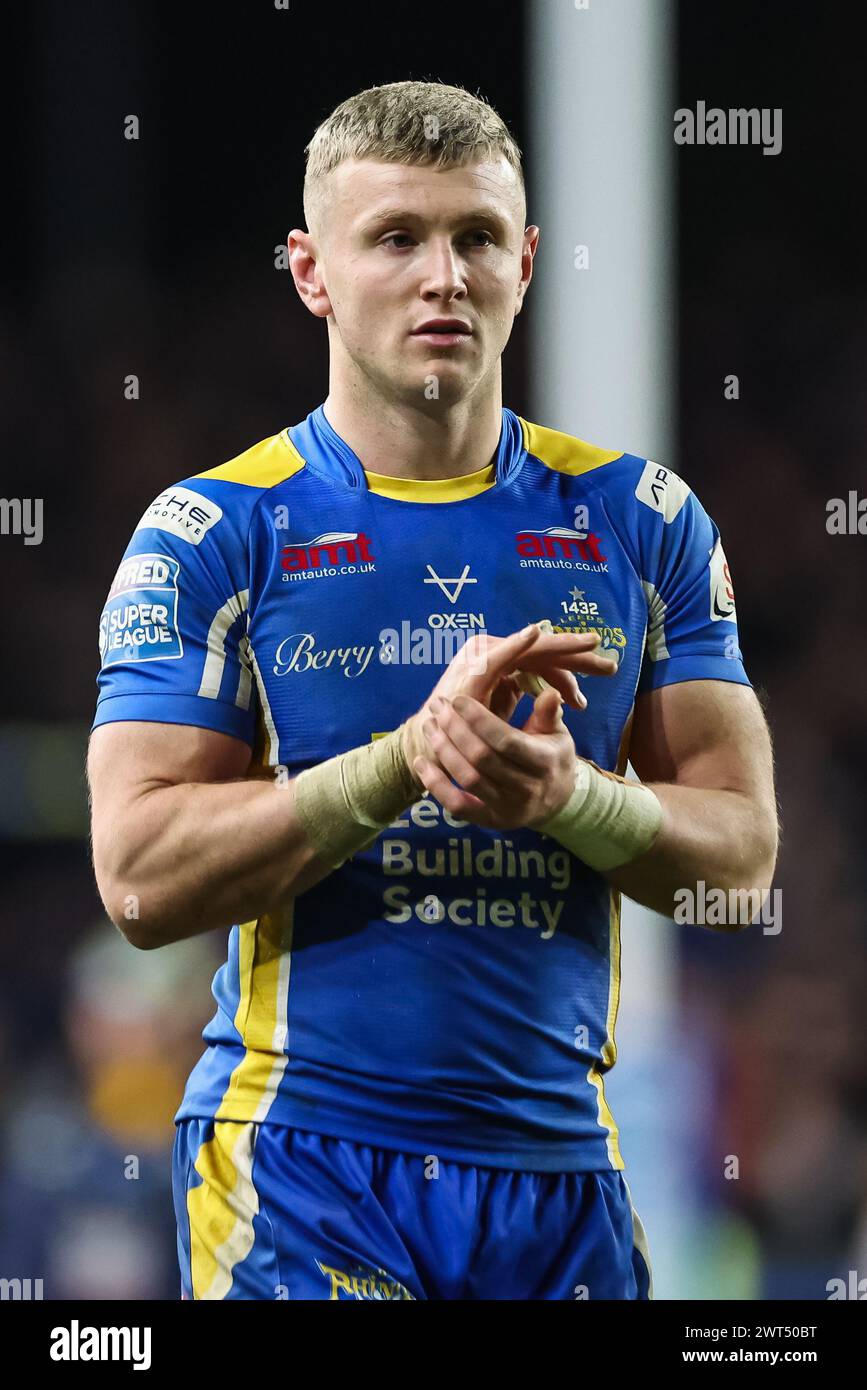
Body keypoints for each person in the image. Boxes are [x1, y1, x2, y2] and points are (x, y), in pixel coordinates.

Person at [87, 79, 778, 1300]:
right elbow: (139, 877)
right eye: (397, 238)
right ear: (311, 271)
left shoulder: (641, 521)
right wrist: (404, 760)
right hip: (305, 1168)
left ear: (526, 258)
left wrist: (573, 798)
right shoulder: (214, 531)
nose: (442, 275)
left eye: (472, 237)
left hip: (561, 1176)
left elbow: (742, 867)